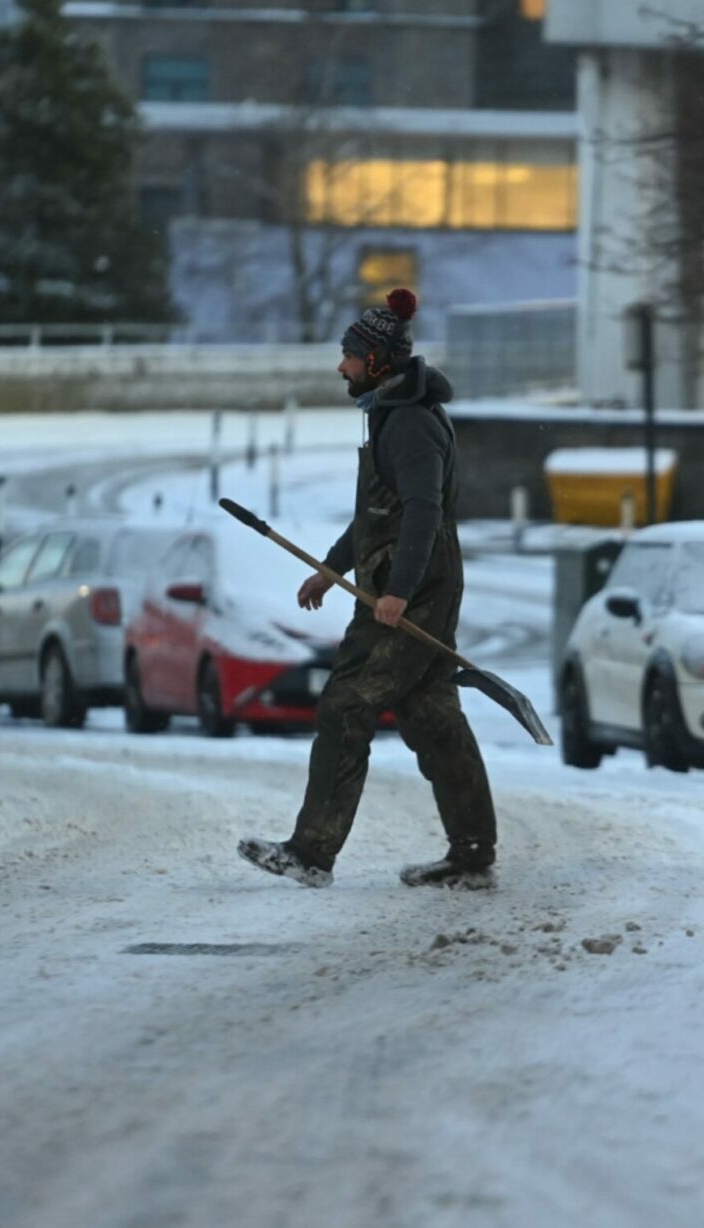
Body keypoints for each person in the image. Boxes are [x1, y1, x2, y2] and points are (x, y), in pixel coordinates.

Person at [238, 289, 498, 890]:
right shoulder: (393, 411)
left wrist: (399, 592)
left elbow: (423, 513)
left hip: (413, 591)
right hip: (407, 585)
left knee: (346, 704)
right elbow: (379, 515)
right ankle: (473, 853)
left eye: (350, 356)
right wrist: (332, 569)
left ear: (378, 360)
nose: (342, 367)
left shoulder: (408, 423)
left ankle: (311, 851)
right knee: (432, 715)